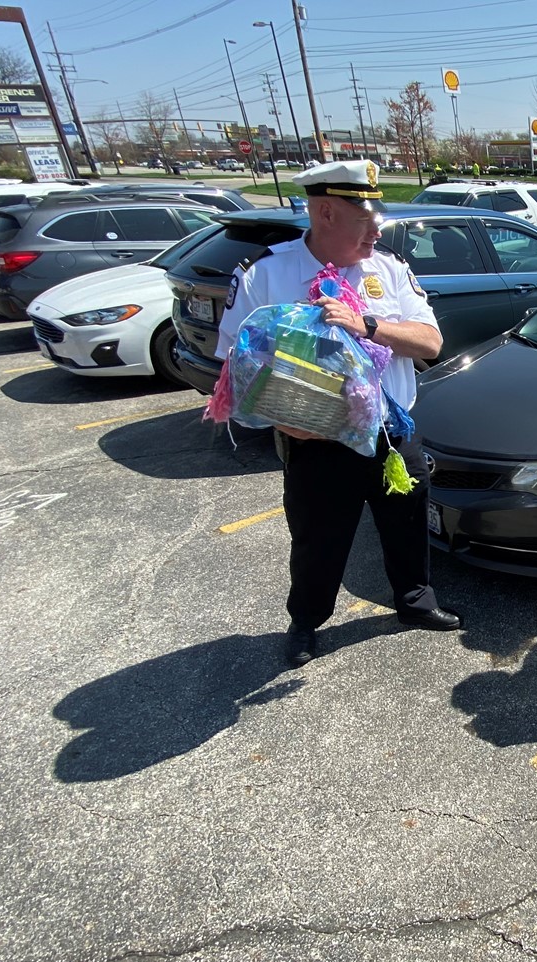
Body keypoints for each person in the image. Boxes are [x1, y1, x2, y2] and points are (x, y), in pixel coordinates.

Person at [214, 159, 463, 668]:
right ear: (326, 212)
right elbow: (233, 367)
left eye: (377, 216)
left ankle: (415, 602)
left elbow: (432, 343)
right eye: (365, 218)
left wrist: (366, 323)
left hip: (391, 437)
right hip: (315, 441)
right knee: (317, 541)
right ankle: (306, 621)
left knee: (407, 524)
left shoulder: (389, 270)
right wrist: (280, 421)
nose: (378, 229)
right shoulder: (266, 274)